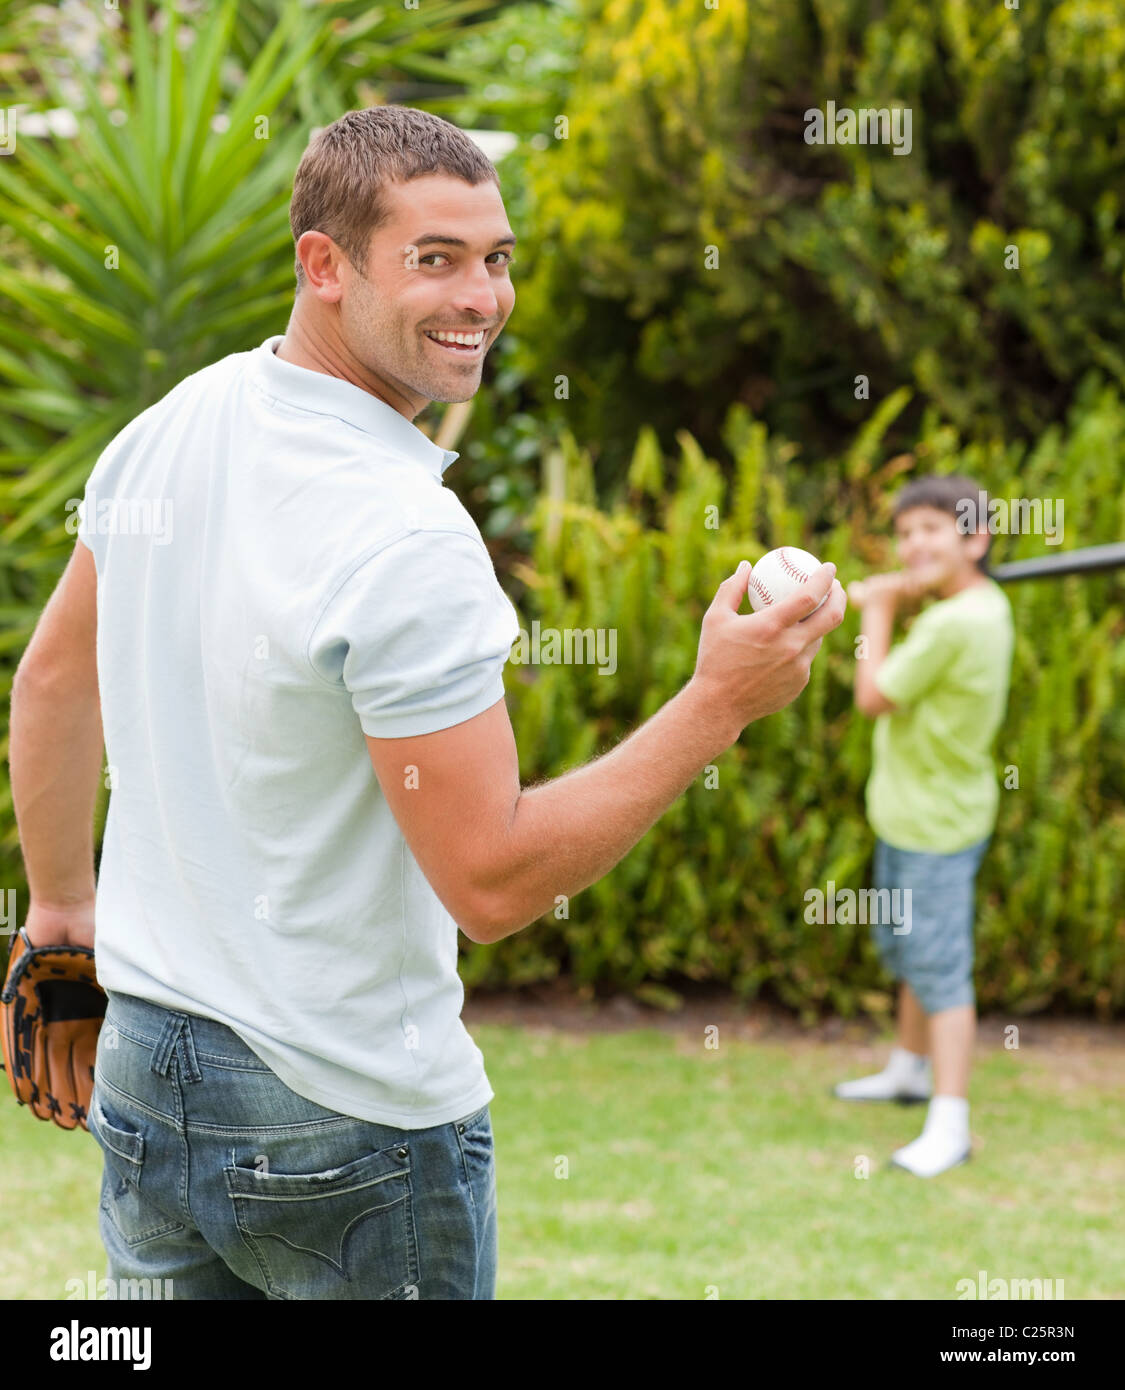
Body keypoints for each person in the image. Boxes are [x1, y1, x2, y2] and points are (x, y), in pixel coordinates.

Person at [10, 104, 847, 1299]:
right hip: (347, 1118)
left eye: (496, 258)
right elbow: (493, 881)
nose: (483, 297)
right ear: (324, 265)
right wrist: (718, 704)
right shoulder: (406, 534)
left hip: (151, 1066)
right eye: (435, 259)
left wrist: (59, 913)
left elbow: (50, 677)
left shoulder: (175, 426)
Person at [835, 474, 1015, 1177]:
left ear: (974, 540)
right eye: (904, 532)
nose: (912, 544)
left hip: (934, 824)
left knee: (938, 970)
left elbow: (872, 694)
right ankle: (908, 1071)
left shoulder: (953, 623)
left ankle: (950, 1122)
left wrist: (876, 608)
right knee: (910, 951)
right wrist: (907, 592)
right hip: (917, 814)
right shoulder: (978, 604)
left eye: (931, 531)